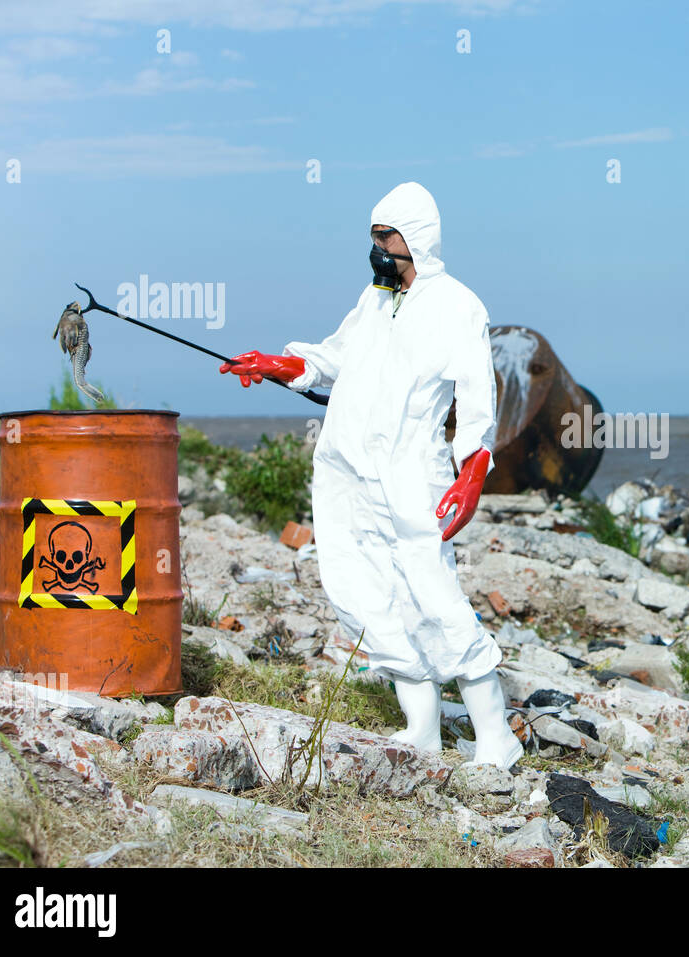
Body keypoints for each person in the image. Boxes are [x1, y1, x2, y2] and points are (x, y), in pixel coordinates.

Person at [219, 182, 522, 771]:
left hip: (412, 473)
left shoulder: (460, 306)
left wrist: (472, 472)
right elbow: (331, 357)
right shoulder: (375, 299)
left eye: (386, 237)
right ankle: (422, 730)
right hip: (347, 471)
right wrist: (273, 362)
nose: (377, 249)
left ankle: (496, 736)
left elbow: (477, 401)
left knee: (433, 596)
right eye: (374, 238)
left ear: (416, 239)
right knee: (364, 591)